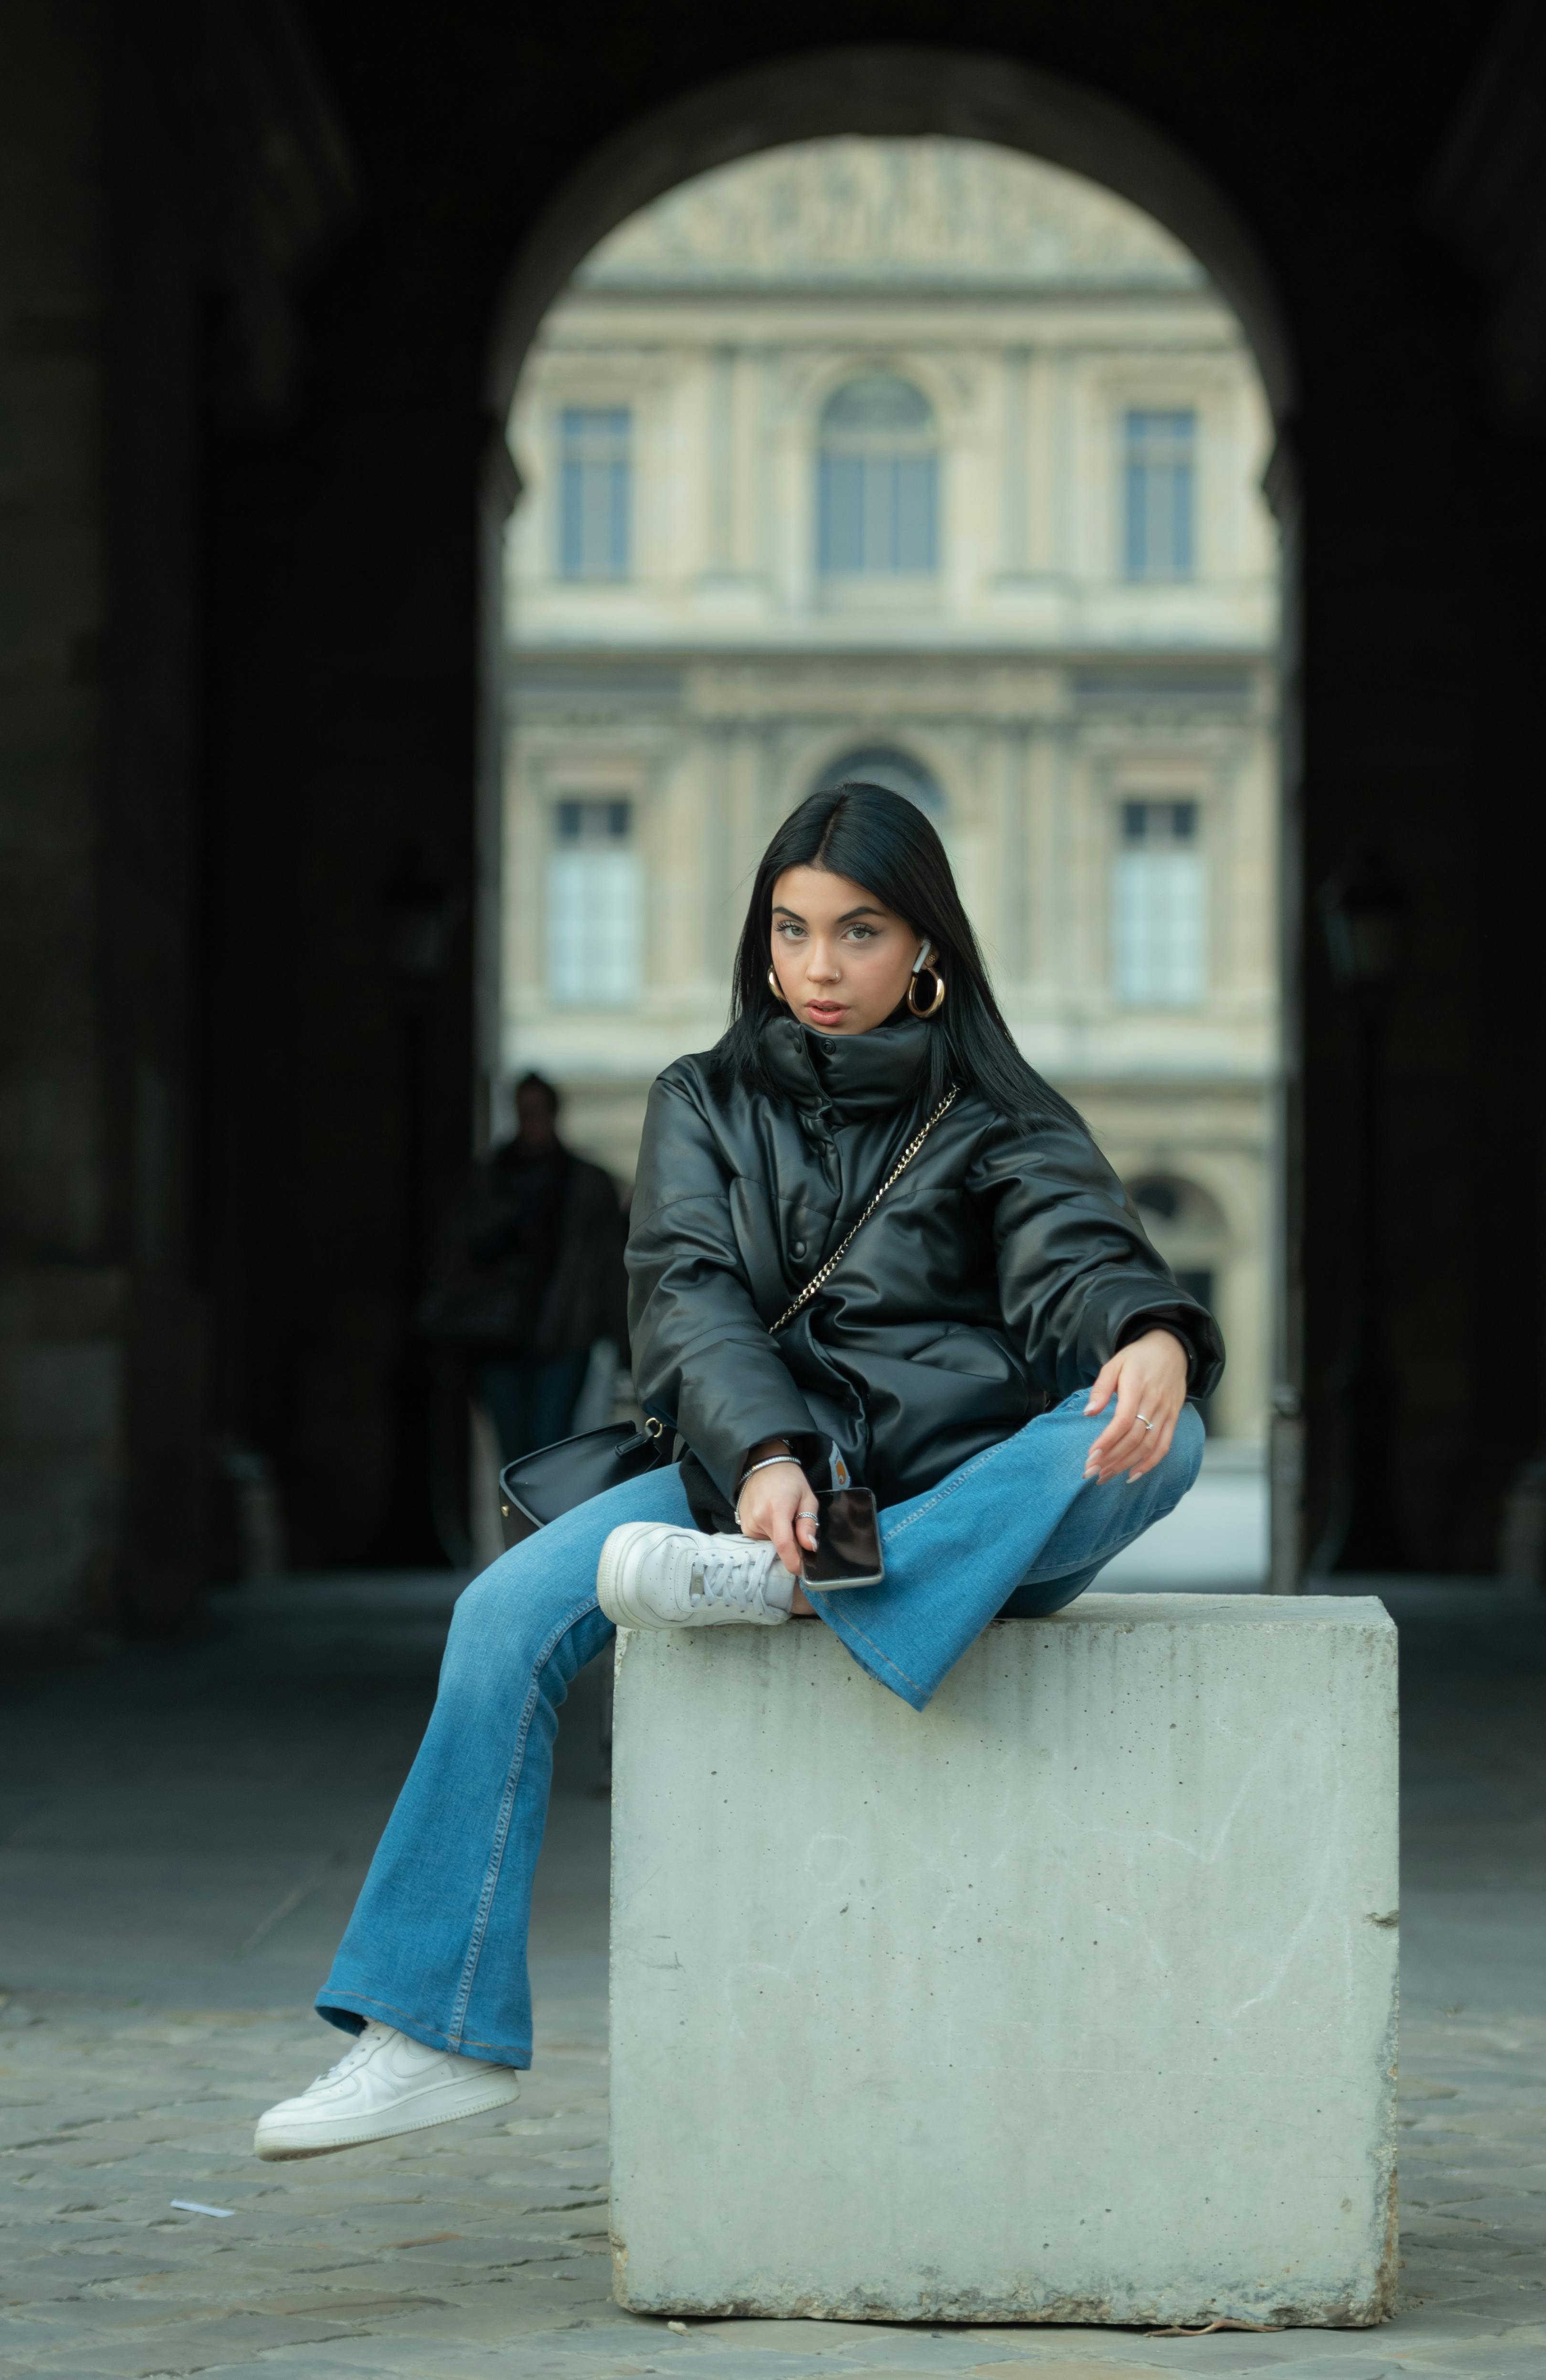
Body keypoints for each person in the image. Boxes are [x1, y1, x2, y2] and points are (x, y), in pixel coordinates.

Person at [253, 782, 1223, 2159]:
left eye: (859, 931)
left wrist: (1149, 1332)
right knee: (498, 1615)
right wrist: (770, 1451)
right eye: (791, 927)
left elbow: (1075, 1255)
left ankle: (805, 1591)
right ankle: (429, 2030)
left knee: (1162, 1436)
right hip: (744, 1482)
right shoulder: (699, 1100)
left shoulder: (999, 1115)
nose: (819, 966)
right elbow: (686, 1296)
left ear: (926, 944)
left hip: (957, 1503)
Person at [425, 1072, 629, 1467]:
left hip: (563, 1337)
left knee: (550, 1448)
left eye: (537, 1109)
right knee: (514, 1455)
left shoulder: (587, 1184)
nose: (530, 1119)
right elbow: (456, 1256)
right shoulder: (488, 1179)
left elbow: (607, 1268)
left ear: (553, 1112)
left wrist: (624, 1343)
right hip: (498, 1338)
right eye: (523, 1110)